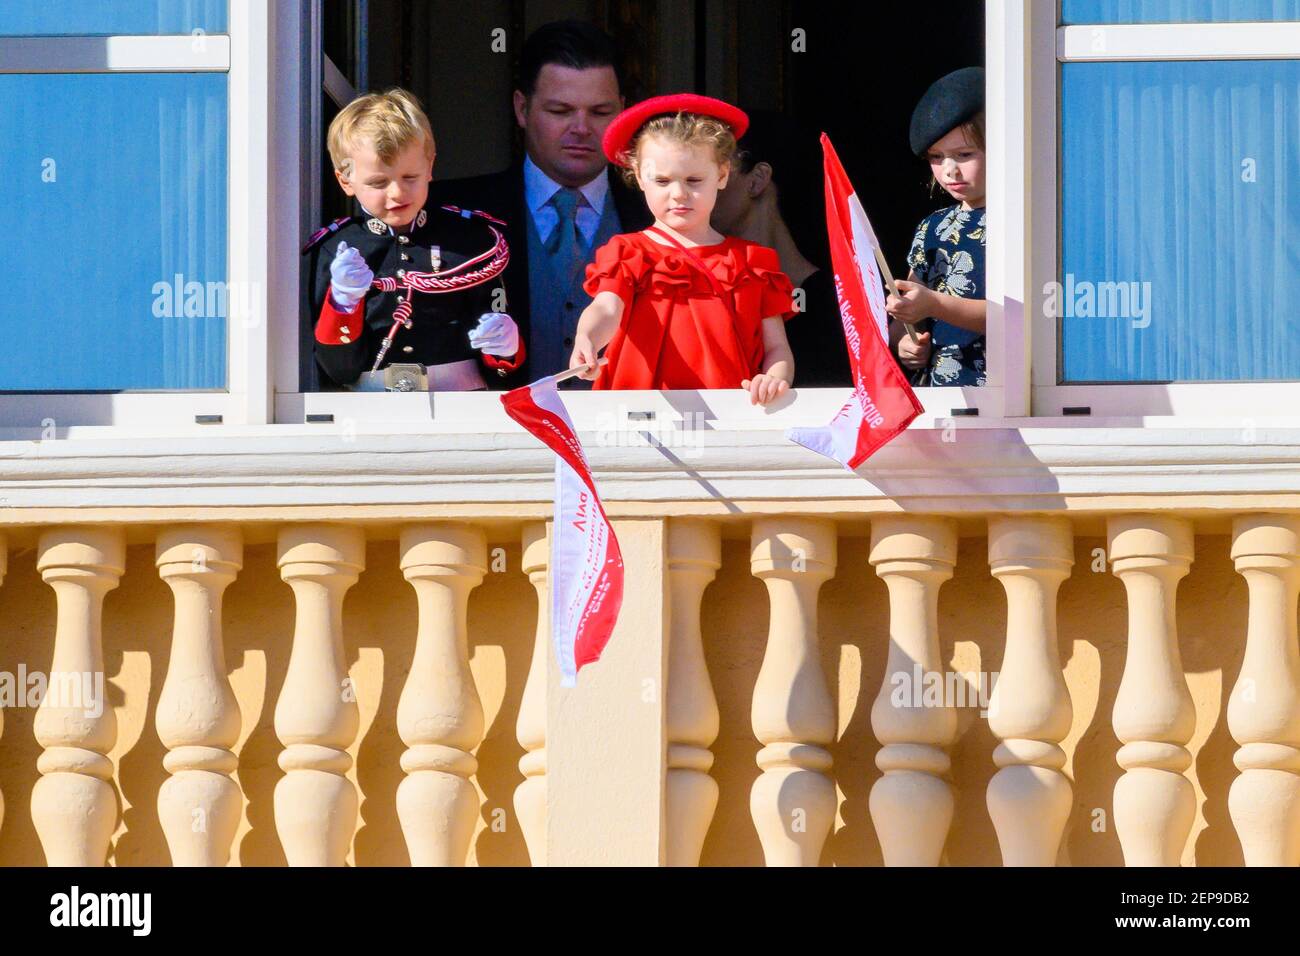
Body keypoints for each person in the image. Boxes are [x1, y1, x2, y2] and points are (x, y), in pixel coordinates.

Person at [426, 19, 653, 387]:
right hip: (491, 434)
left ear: (622, 113)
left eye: (599, 112)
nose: (581, 128)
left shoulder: (662, 213)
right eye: (560, 111)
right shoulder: (452, 214)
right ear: (521, 108)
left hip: (637, 435)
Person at [568, 94, 797, 405]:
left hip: (731, 420)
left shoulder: (753, 262)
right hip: (639, 420)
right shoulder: (626, 252)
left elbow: (777, 349)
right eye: (662, 181)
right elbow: (607, 309)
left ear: (722, 175)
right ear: (639, 178)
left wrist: (773, 379)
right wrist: (587, 339)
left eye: (694, 180)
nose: (679, 194)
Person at [305, 88, 524, 391]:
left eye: (410, 178)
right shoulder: (336, 250)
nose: (397, 193)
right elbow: (338, 369)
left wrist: (505, 348)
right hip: (371, 408)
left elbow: (502, 364)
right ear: (345, 180)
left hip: (462, 402)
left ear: (430, 167)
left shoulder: (469, 240)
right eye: (379, 182)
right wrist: (343, 303)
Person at [710, 110, 851, 387]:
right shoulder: (689, 281)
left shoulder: (836, 297)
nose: (689, 189)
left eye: (717, 169)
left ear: (758, 178)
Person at [886, 66, 988, 387]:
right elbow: (910, 313)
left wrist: (933, 303)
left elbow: (1018, 314)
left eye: (964, 154)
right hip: (942, 398)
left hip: (1005, 395)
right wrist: (906, 342)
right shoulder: (933, 228)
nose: (949, 170)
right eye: (936, 156)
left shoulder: (1026, 222)